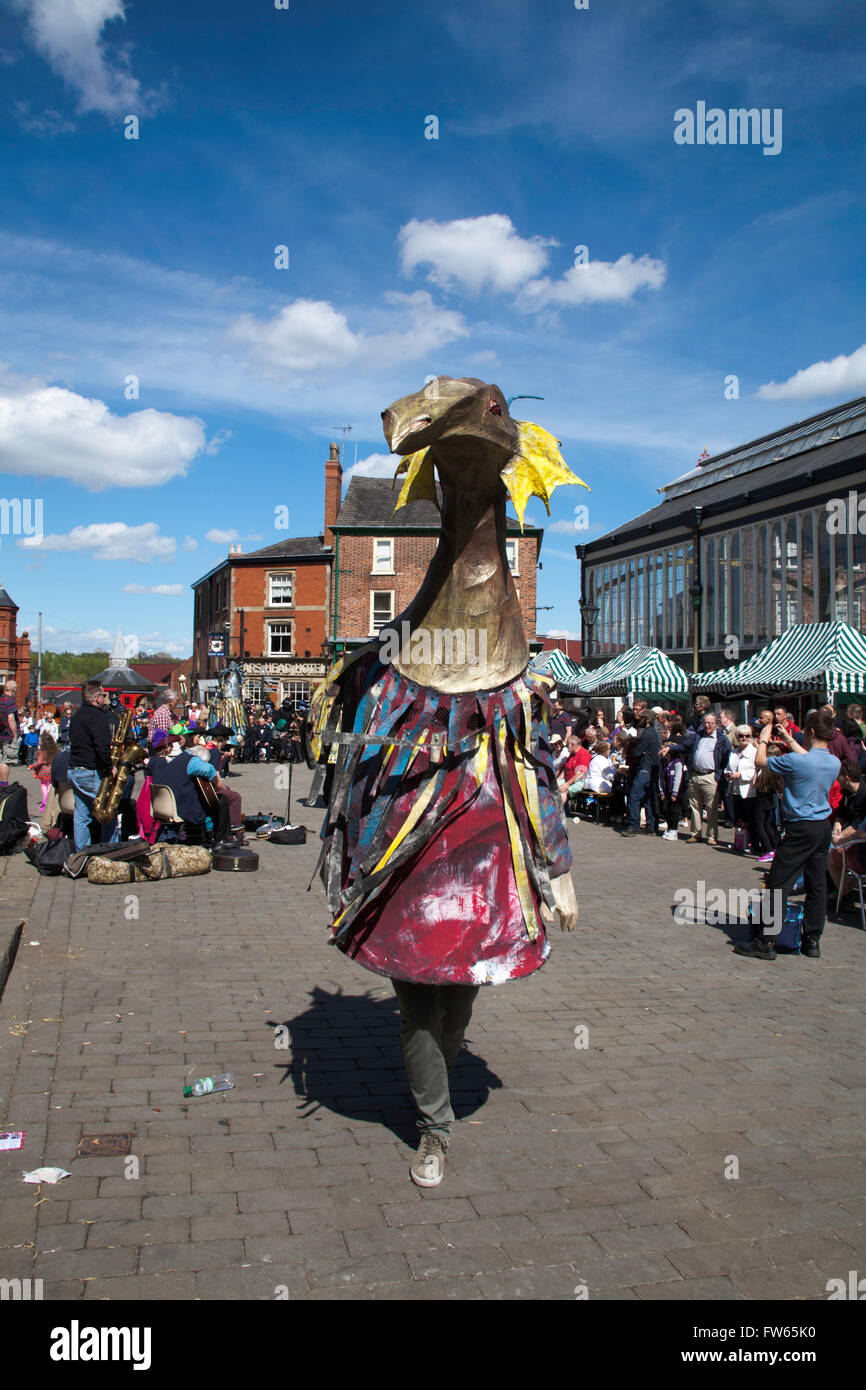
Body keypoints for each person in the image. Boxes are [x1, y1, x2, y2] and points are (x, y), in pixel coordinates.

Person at [735, 709, 840, 961]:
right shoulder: (833, 762)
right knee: (817, 884)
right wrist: (789, 738)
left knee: (778, 883)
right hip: (821, 827)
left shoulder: (796, 762)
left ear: (811, 732)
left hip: (799, 827)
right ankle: (812, 940)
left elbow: (760, 761)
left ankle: (766, 941)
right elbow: (810, 758)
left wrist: (763, 738)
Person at [68, 680, 120, 851]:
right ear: (97, 698)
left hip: (75, 769)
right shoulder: (98, 717)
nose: (106, 698)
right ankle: (111, 850)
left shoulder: (77, 715)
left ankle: (81, 854)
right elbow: (101, 746)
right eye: (104, 695)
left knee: (82, 815)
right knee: (108, 811)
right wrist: (109, 766)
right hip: (90, 770)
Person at [685, 712, 731, 846]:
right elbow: (685, 746)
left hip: (710, 776)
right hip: (695, 774)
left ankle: (711, 835)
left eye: (710, 723)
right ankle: (695, 833)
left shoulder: (721, 739)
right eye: (705, 723)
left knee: (711, 808)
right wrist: (670, 748)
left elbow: (727, 756)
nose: (707, 725)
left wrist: (720, 773)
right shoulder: (697, 736)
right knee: (694, 806)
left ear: (715, 724)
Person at [620, 712, 660, 836]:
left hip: (644, 767)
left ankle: (633, 825)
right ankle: (651, 825)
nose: (638, 720)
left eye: (641, 718)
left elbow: (636, 752)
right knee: (647, 798)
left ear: (647, 719)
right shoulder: (651, 732)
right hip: (648, 767)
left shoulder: (648, 733)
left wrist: (636, 748)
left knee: (634, 796)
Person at [657, 714, 689, 840]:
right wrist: (662, 790)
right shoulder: (666, 764)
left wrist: (675, 792)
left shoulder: (677, 764)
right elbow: (662, 777)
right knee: (667, 808)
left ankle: (674, 829)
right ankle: (670, 828)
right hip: (667, 790)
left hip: (675, 790)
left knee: (674, 809)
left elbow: (677, 778)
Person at [726, 725, 757, 851]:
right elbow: (728, 767)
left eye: (747, 736)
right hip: (735, 789)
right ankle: (740, 842)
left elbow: (755, 770)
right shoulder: (733, 752)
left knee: (749, 818)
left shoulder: (754, 752)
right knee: (738, 818)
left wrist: (740, 775)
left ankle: (752, 843)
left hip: (749, 790)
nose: (744, 738)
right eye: (741, 736)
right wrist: (728, 774)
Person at [0, 681, 19, 761]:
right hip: (7, 735)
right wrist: (15, 735)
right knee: (6, 760)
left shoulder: (1, 699)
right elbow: (11, 719)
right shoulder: (9, 700)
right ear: (14, 689)